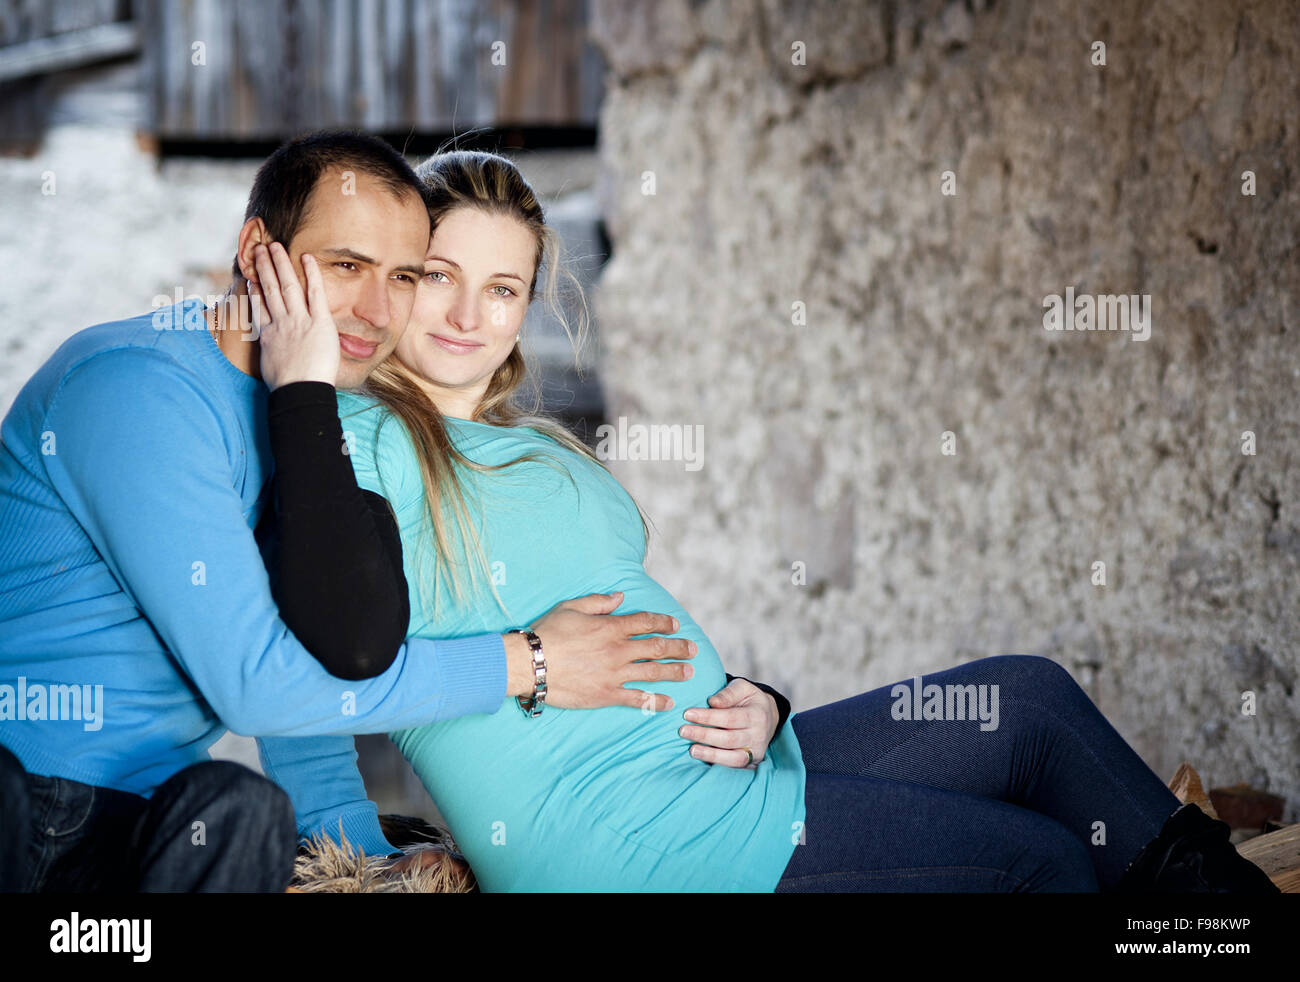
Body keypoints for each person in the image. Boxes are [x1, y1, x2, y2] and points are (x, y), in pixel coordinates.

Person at [260, 149, 1280, 893]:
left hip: (720, 761)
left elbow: (645, 623)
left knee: (1028, 705)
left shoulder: (534, 445)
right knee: (1042, 862)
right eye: (437, 275)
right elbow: (296, 661)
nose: (466, 314)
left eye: (503, 288)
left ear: (530, 305)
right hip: (620, 833)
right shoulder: (353, 435)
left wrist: (758, 699)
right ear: (398, 281)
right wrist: (353, 854)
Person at [0, 131, 706, 892]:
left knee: (244, 808)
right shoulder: (137, 390)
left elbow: (304, 666)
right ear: (254, 249)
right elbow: (259, 687)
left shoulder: (303, 412)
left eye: (404, 276)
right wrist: (529, 662)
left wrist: (366, 864)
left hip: (166, 812)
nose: (375, 309)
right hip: (37, 800)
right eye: (346, 266)